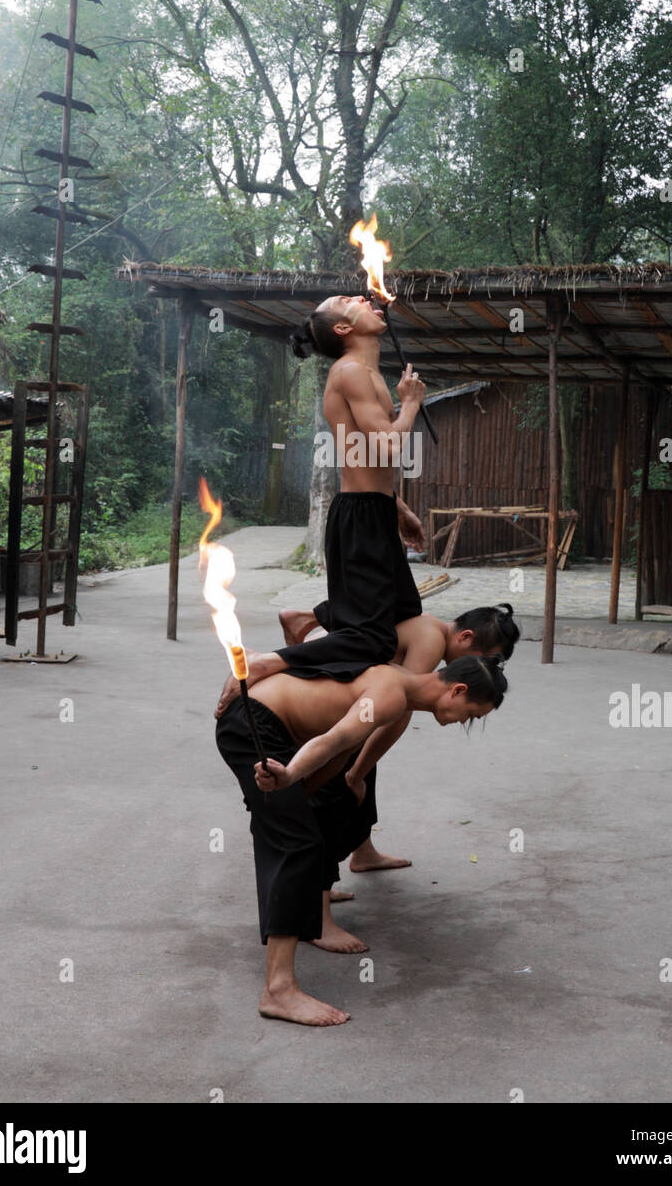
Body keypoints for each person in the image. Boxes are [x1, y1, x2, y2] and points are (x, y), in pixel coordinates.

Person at [216, 654, 507, 1026]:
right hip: (255, 724)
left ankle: (289, 938)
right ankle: (278, 990)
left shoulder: (400, 693)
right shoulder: (392, 695)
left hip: (270, 726)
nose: (464, 722)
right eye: (471, 714)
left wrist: (301, 793)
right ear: (458, 689)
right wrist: (289, 778)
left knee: (300, 832)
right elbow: (333, 738)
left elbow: (340, 754)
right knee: (297, 843)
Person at [216, 294, 425, 714]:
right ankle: (266, 663)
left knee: (405, 613)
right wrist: (413, 404)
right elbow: (386, 448)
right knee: (373, 638)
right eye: (350, 301)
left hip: (375, 509)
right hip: (360, 516)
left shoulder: (369, 373)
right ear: (344, 329)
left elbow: (363, 459)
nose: (364, 298)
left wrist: (398, 510)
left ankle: (306, 619)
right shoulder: (350, 372)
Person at [280, 602, 520, 881]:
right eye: (484, 657)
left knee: (363, 768)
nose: (482, 666)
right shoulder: (431, 641)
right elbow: (399, 713)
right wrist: (356, 771)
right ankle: (316, 885)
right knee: (342, 783)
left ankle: (363, 852)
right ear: (465, 637)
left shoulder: (428, 625)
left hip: (343, 684)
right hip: (324, 686)